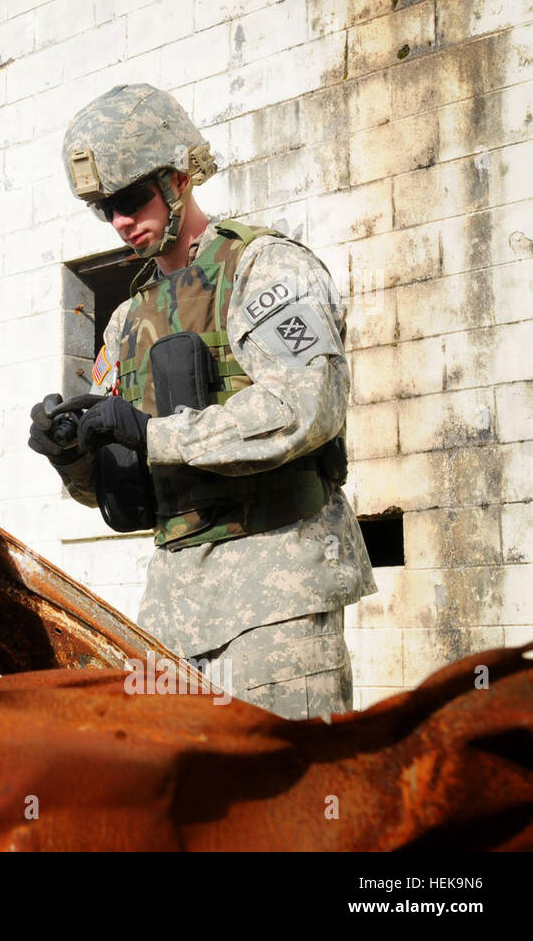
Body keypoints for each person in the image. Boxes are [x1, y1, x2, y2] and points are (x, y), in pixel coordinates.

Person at [29, 83, 376, 720]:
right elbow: (118, 484)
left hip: (277, 599)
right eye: (105, 210)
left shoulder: (264, 269)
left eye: (131, 199)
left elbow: (308, 405)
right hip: (173, 617)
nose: (122, 222)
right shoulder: (127, 321)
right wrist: (74, 456)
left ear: (179, 177)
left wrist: (153, 434)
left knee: (292, 805)